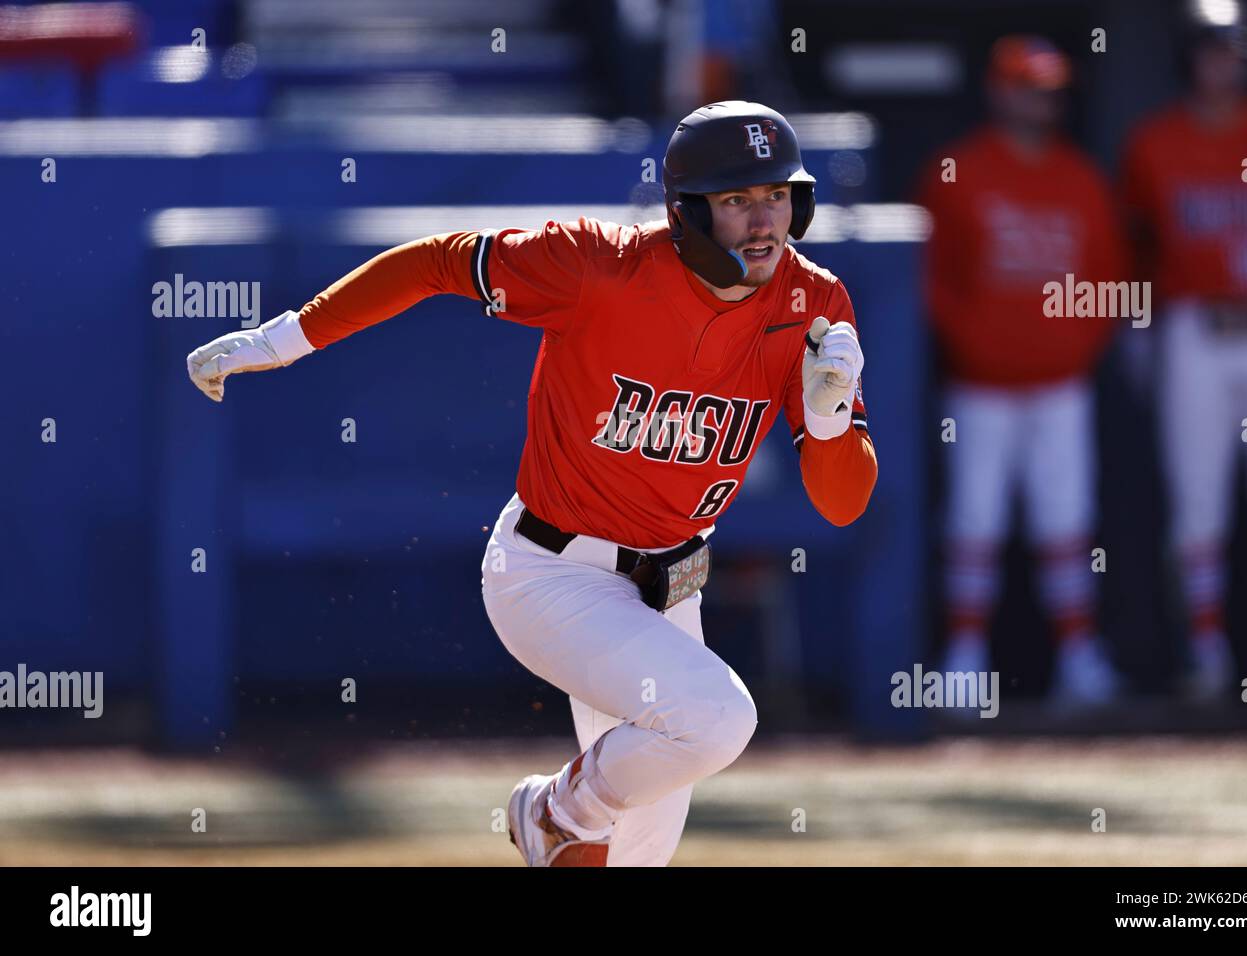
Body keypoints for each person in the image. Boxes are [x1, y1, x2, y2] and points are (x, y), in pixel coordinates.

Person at [184, 101, 878, 866]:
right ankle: (553, 812)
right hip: (551, 572)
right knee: (714, 720)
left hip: (670, 586)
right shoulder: (597, 266)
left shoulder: (815, 305)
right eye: (736, 198)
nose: (763, 219)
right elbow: (435, 261)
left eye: (777, 194)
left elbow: (841, 505)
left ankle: (568, 825)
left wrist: (828, 417)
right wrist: (286, 340)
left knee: (639, 850)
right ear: (686, 210)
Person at [917, 36, 1126, 707]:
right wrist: (975, 343)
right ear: (999, 89)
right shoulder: (959, 170)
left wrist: (1070, 347)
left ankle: (1080, 659)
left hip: (1060, 385)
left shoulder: (1081, 177)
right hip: (979, 387)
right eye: (1030, 87)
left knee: (1066, 520)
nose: (1042, 101)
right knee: (974, 520)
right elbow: (929, 281)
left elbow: (1109, 282)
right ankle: (962, 661)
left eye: (1052, 89)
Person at [1120, 17, 1247, 700]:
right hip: (1192, 326)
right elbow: (1133, 244)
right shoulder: (1155, 142)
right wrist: (1138, 325)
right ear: (1188, 60)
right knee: (1198, 501)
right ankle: (1206, 652)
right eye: (1209, 55)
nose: (1221, 68)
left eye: (1232, 56)